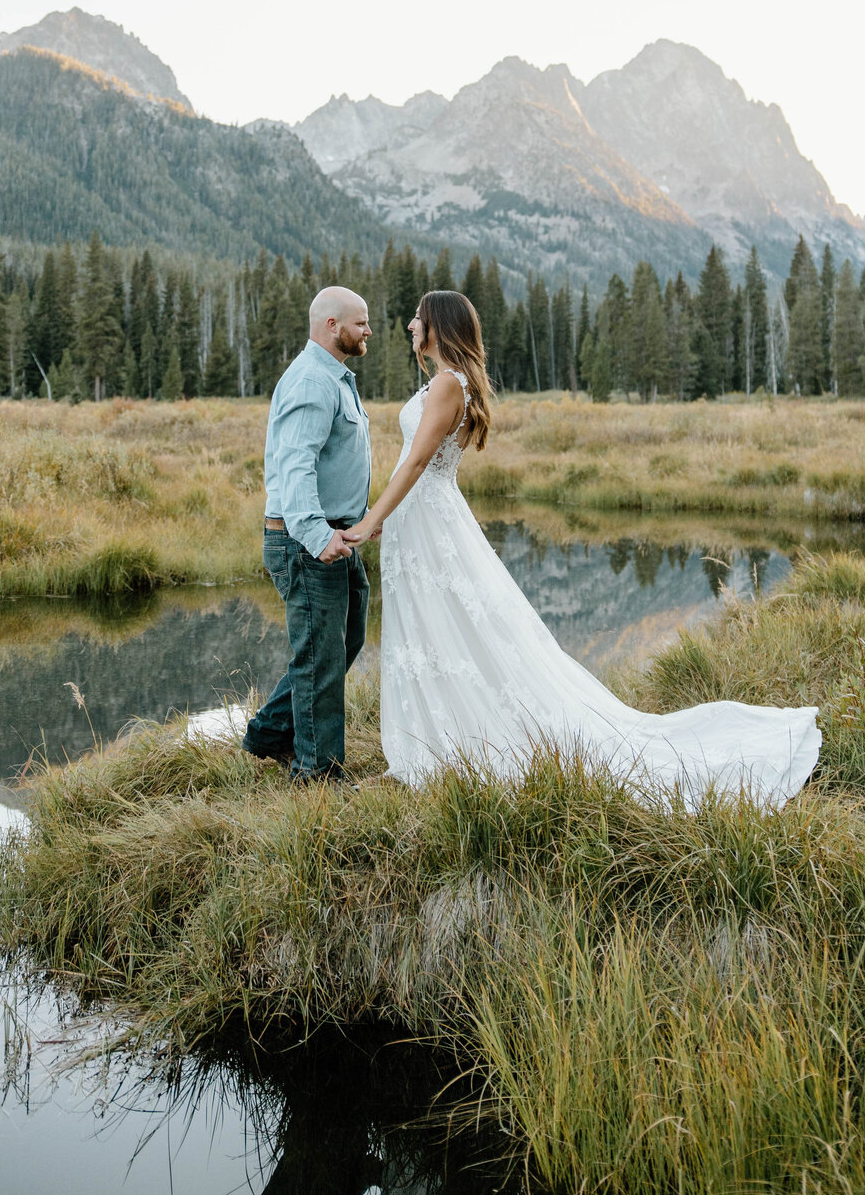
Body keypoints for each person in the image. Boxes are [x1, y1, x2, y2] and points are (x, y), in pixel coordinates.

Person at [345, 290, 821, 807]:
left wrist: (373, 519)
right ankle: (430, 744)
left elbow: (416, 463)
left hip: (429, 519)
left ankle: (445, 747)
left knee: (447, 625)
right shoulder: (452, 382)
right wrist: (390, 521)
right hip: (424, 519)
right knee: (435, 624)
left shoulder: (444, 385)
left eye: (418, 317)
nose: (410, 324)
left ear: (439, 325)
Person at [242, 286, 373, 783]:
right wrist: (319, 538)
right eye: (360, 322)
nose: (367, 331)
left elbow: (332, 459)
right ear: (331, 326)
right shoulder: (312, 381)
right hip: (307, 541)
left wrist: (360, 516)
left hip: (337, 533)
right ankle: (317, 773)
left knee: (341, 641)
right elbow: (295, 467)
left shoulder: (335, 378)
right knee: (320, 658)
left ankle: (270, 733)